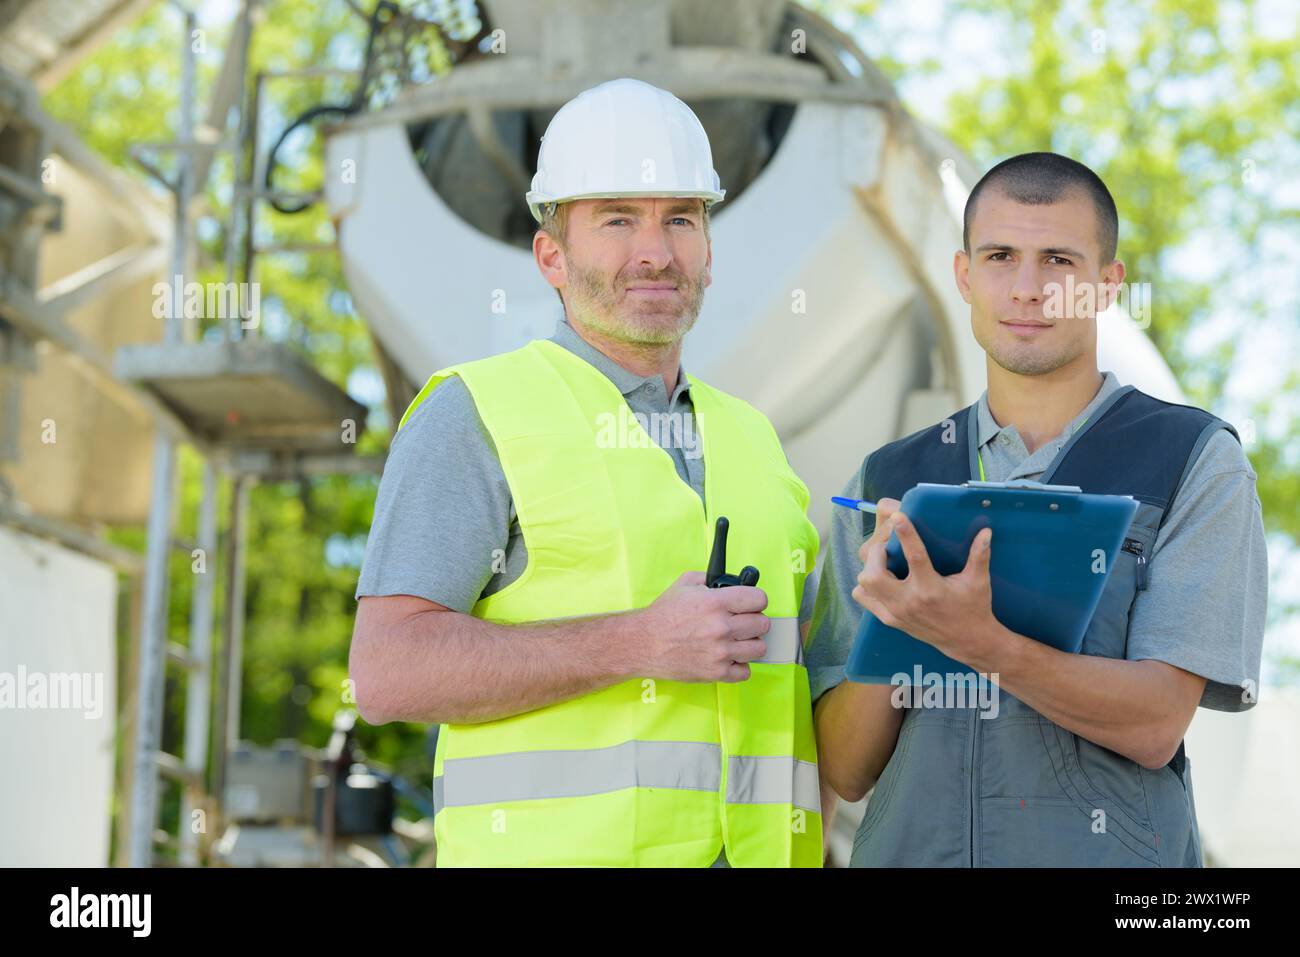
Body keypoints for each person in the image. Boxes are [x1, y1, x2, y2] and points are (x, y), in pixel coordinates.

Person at [348, 78, 824, 867]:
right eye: (615, 219)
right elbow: (387, 672)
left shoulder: (754, 441)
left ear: (709, 246)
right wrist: (637, 642)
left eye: (681, 217)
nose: (655, 251)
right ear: (551, 256)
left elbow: (803, 694)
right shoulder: (475, 413)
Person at [808, 152, 1268, 867]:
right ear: (964, 275)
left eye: (1058, 259)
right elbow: (844, 767)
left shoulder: (1192, 459)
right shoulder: (885, 478)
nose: (1028, 289)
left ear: (1106, 286)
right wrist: (893, 621)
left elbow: (1155, 724)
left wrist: (985, 644)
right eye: (1000, 256)